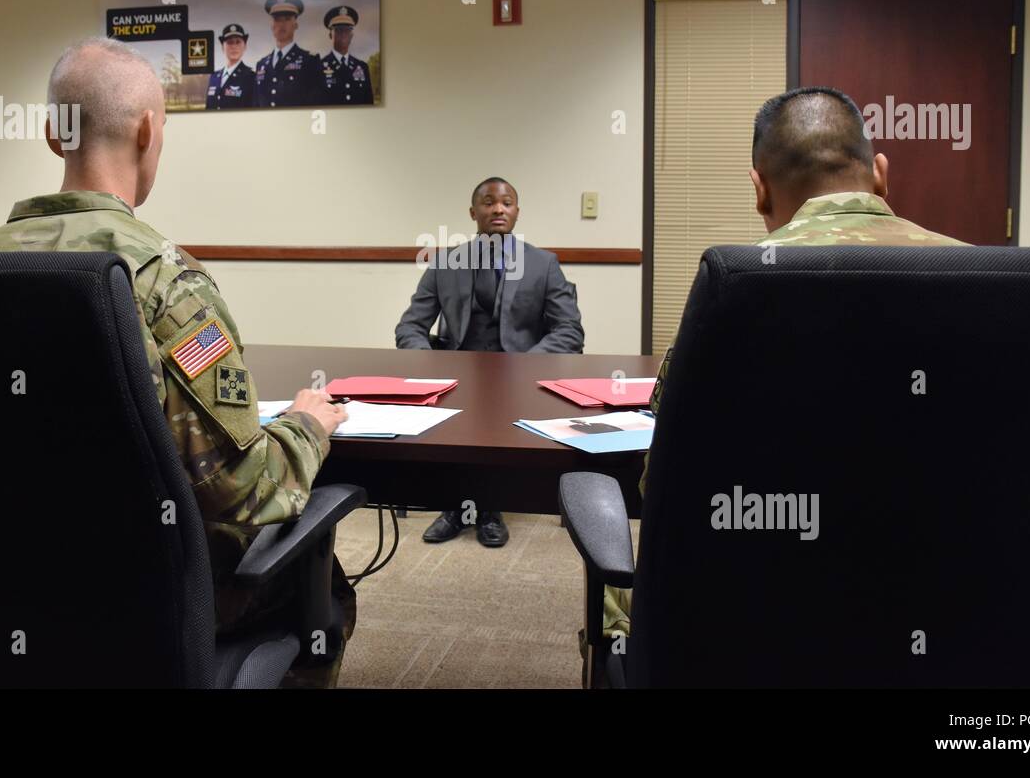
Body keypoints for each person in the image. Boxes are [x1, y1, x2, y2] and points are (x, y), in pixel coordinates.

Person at [0, 37, 353, 686]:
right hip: (133, 604)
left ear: (55, 136)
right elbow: (243, 493)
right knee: (320, 579)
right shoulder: (163, 280)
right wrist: (308, 426)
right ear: (148, 132)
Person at [598, 85, 967, 652]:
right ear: (881, 175)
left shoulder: (733, 288)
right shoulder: (988, 279)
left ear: (759, 188)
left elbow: (668, 481)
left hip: (758, 629)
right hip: (963, 621)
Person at [396, 177, 584, 546]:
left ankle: (489, 507)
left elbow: (569, 331)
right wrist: (432, 366)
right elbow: (410, 326)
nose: (498, 209)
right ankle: (456, 507)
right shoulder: (445, 263)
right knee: (456, 424)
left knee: (495, 423)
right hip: (458, 373)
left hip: (520, 374)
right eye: (488, 202)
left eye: (507, 203)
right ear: (473, 212)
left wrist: (527, 366)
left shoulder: (543, 264)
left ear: (516, 212)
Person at [253, 0, 324, 108]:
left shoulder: (310, 61)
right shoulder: (261, 64)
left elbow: (316, 103)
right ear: (272, 25)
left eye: (287, 19)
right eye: (277, 19)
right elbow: (255, 105)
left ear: (295, 24)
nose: (282, 24)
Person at [319, 6, 374, 105]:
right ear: (330, 35)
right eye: (339, 30)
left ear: (351, 35)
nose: (343, 34)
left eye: (347, 30)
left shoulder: (362, 67)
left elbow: (369, 104)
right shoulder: (318, 67)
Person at [205, 23, 257, 109]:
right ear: (222, 47)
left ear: (245, 46)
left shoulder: (251, 77)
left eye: (238, 42)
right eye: (229, 42)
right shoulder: (214, 77)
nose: (234, 46)